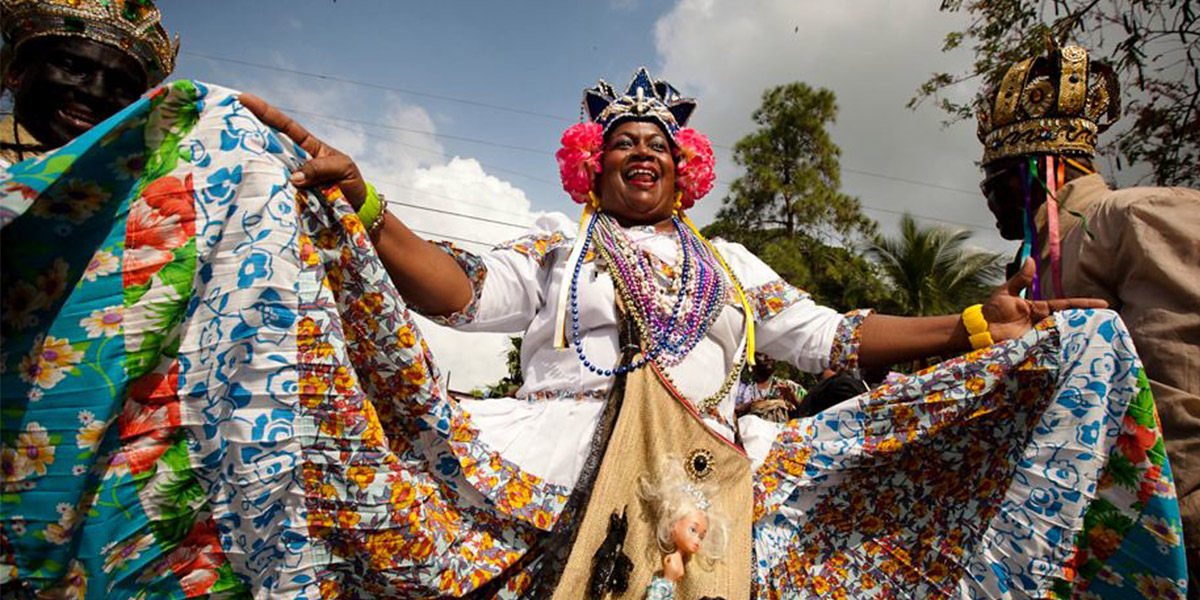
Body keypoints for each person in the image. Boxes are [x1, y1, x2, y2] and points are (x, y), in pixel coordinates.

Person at [239, 68, 1185, 598]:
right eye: (621, 143)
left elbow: (833, 339)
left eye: (658, 144)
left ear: (683, 169)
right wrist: (367, 206)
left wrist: (975, 322)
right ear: (592, 166)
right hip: (558, 464)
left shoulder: (731, 264)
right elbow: (458, 291)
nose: (640, 152)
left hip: (717, 475)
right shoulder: (557, 247)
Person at [977, 43, 1200, 593]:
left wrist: (1174, 527)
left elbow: (1179, 387)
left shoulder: (1137, 215)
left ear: (1025, 175)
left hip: (1168, 533)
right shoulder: (1029, 268)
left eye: (991, 183)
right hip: (1083, 534)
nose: (988, 201)